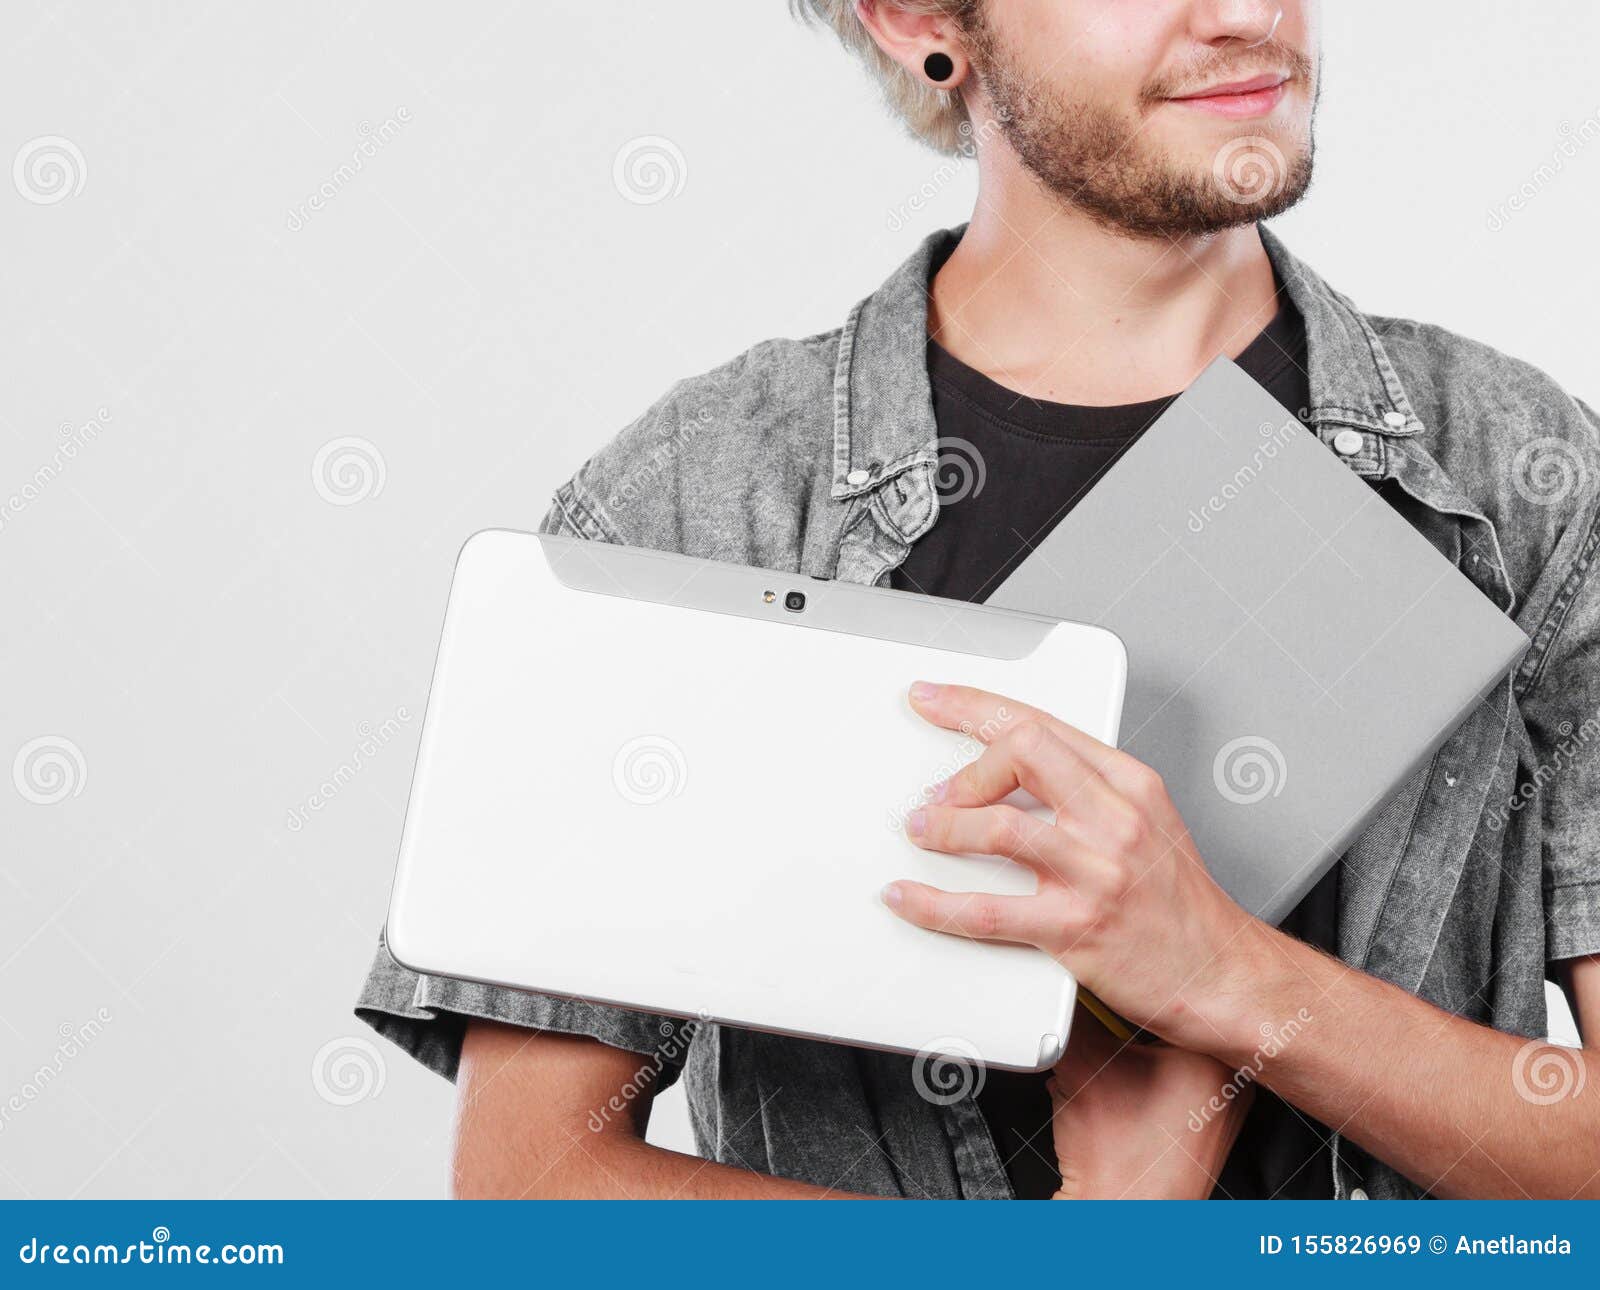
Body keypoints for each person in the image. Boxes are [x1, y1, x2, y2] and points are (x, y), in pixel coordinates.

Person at [355, 0, 1599, 1199]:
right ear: (917, 18)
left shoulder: (1516, 475)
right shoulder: (692, 507)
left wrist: (1231, 978)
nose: (1245, 14)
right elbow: (529, 1182)